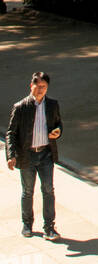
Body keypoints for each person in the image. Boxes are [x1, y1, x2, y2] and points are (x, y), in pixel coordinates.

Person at [6, 72, 63, 239]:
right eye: (38, 87)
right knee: (28, 191)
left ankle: (49, 227)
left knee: (48, 190)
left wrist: (58, 132)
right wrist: (11, 155)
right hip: (27, 155)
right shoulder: (21, 107)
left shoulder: (52, 105)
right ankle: (27, 224)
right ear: (31, 86)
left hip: (45, 154)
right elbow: (11, 132)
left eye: (43, 87)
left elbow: (58, 124)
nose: (40, 90)